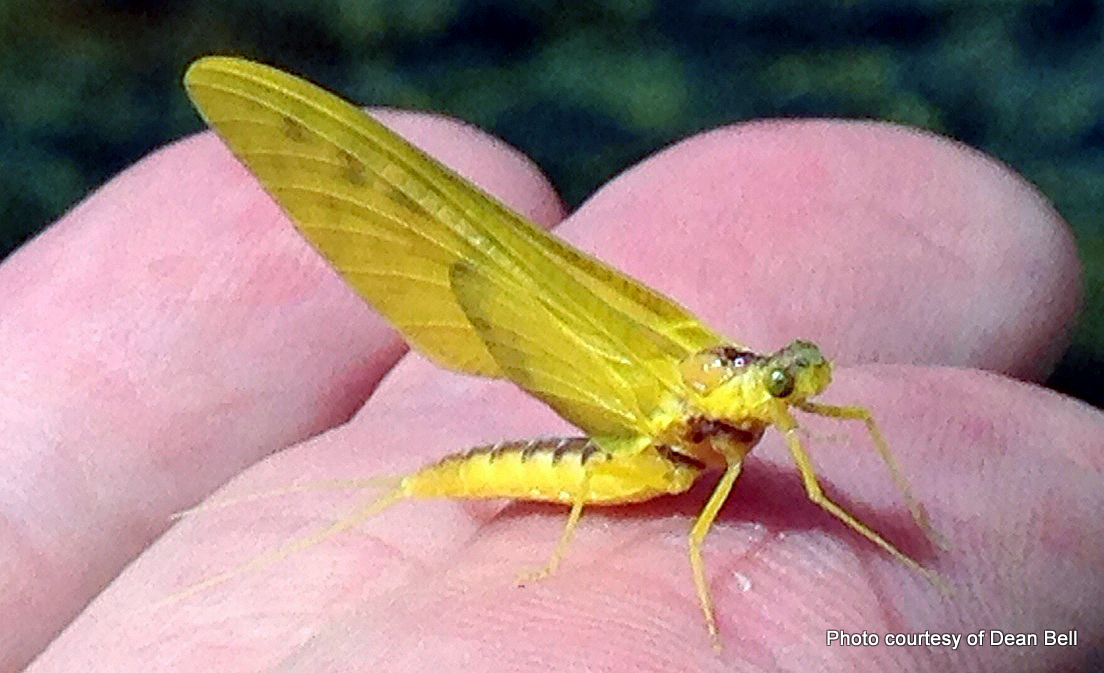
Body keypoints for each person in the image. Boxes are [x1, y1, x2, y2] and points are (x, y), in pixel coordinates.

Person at [4, 113, 1097, 672]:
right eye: (783, 378)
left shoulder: (768, 410)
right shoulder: (709, 398)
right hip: (608, 457)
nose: (799, 391)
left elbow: (810, 434)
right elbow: (716, 475)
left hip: (650, 452)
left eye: (792, 377)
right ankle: (266, 528)